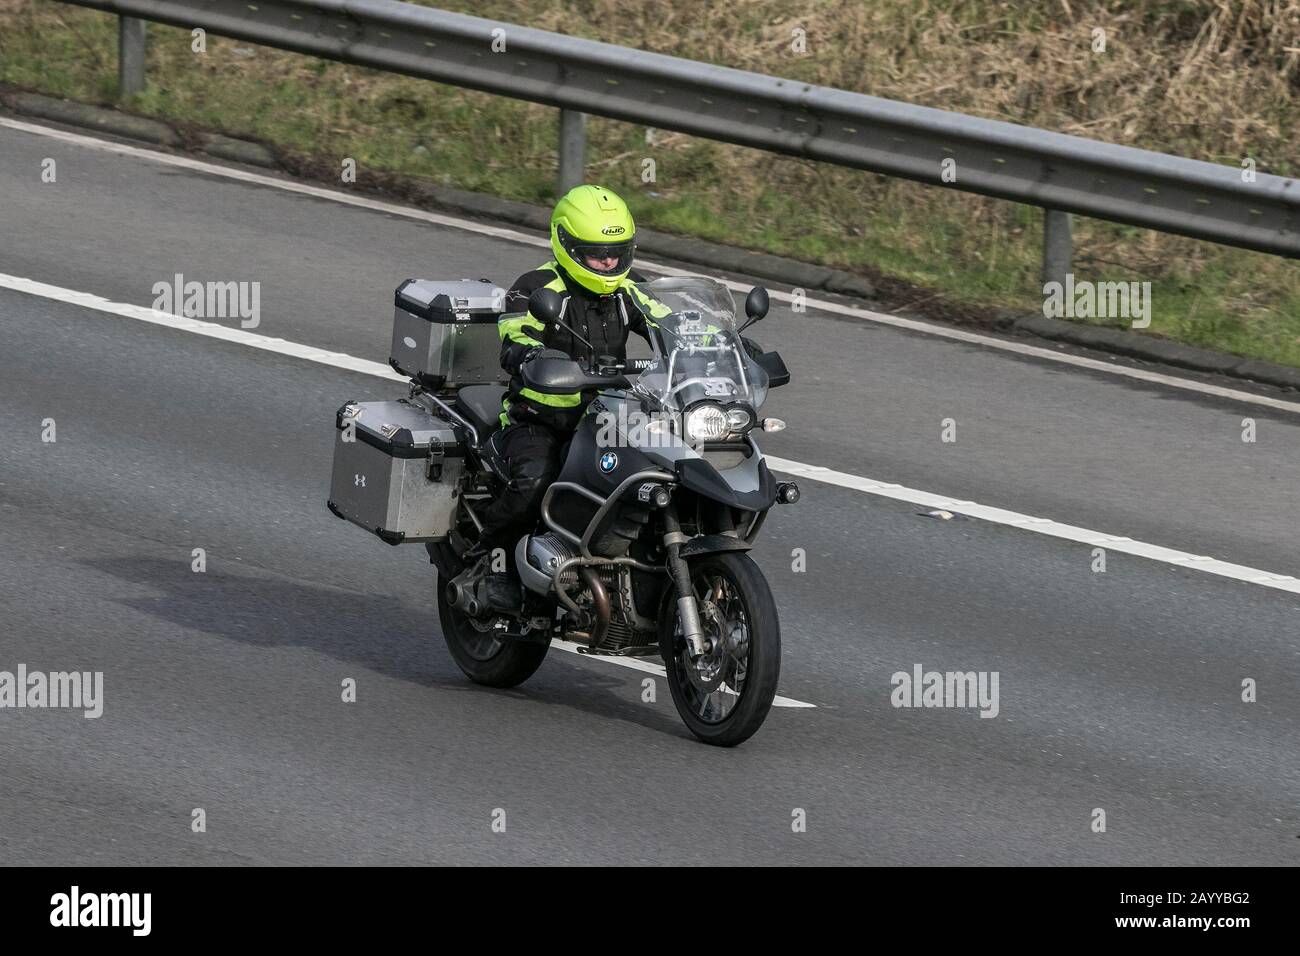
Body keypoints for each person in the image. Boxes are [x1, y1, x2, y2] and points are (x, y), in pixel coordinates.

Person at [454, 184, 669, 604]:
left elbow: (674, 320)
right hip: (540, 420)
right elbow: (515, 337)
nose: (609, 262)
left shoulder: (630, 289)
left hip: (611, 417)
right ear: (566, 244)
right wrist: (535, 356)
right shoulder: (537, 287)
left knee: (663, 472)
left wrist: (717, 341)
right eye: (596, 253)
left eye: (617, 252)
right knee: (536, 481)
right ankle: (486, 560)